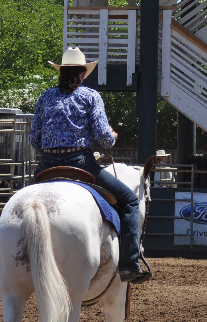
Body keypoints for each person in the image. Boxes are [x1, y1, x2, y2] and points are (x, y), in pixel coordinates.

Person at [29, 47, 147, 283]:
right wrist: (112, 136)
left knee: (21, 205)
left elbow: (34, 140)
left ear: (61, 72)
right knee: (130, 201)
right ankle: (129, 264)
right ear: (83, 73)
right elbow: (103, 138)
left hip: (47, 164)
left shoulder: (45, 97)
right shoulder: (91, 96)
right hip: (81, 164)